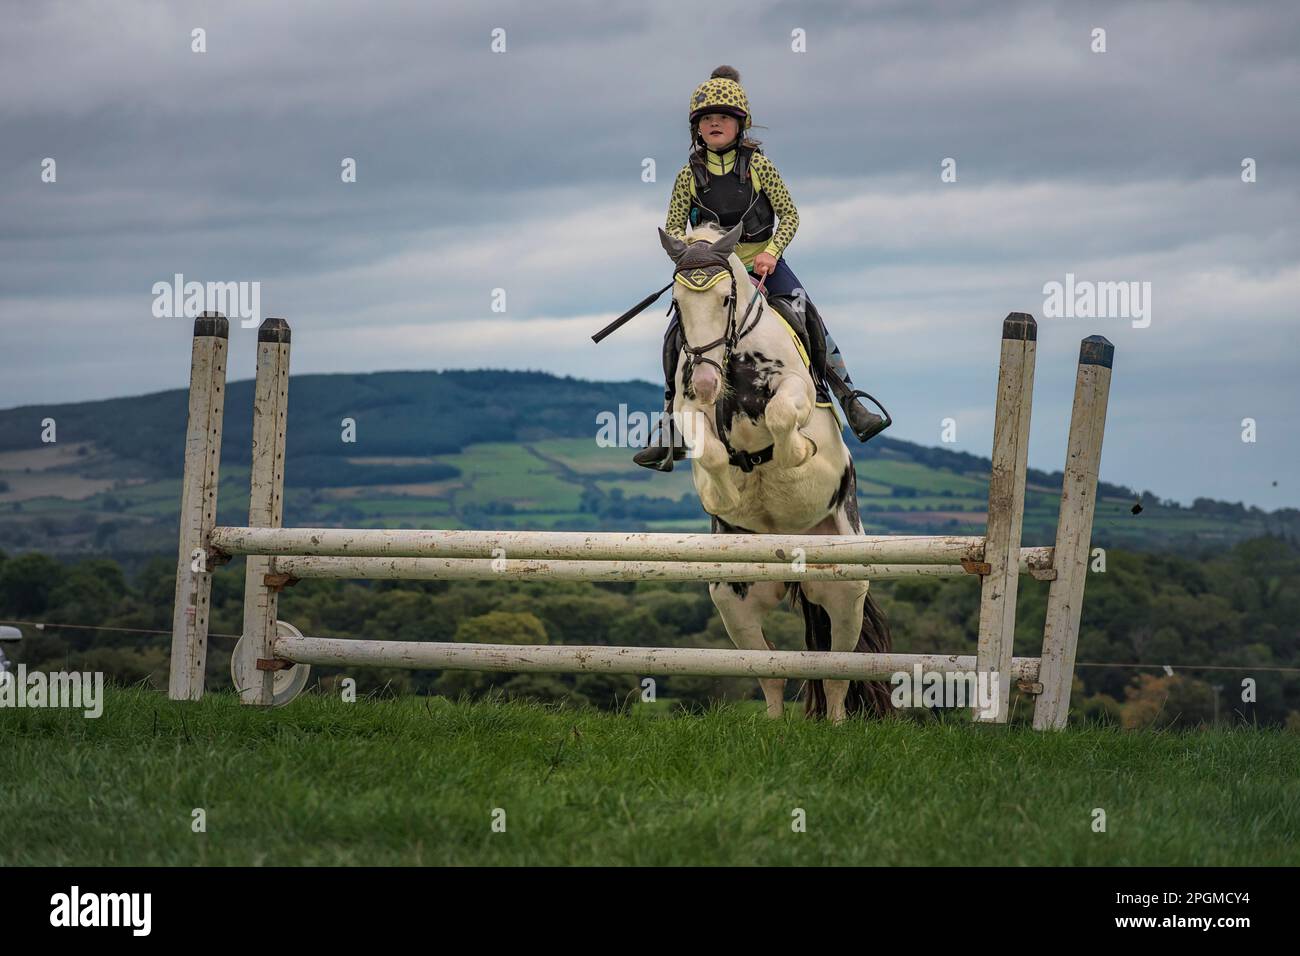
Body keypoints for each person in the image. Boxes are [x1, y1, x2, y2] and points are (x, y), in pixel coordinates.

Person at [634, 65, 889, 471]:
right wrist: (690, 256)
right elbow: (672, 227)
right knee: (675, 332)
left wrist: (772, 251)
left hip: (762, 262)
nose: (713, 123)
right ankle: (671, 420)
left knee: (805, 314)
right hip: (714, 270)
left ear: (740, 125)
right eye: (706, 119)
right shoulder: (687, 176)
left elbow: (789, 214)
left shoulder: (759, 167)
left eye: (722, 118)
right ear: (697, 129)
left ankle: (849, 399)